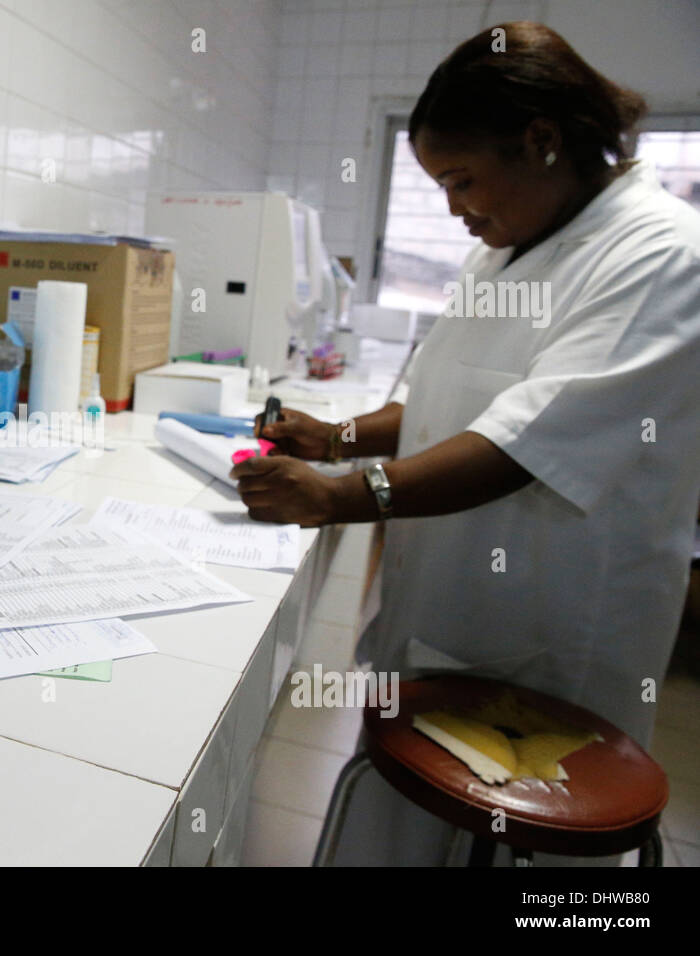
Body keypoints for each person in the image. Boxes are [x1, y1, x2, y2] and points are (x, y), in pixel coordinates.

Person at [231, 21, 700, 864]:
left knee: (520, 851)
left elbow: (524, 441)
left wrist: (344, 494)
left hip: (550, 637)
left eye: (461, 179)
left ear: (543, 142)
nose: (452, 208)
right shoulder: (508, 249)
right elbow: (446, 402)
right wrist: (334, 436)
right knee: (407, 827)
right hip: (445, 615)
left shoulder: (664, 254)